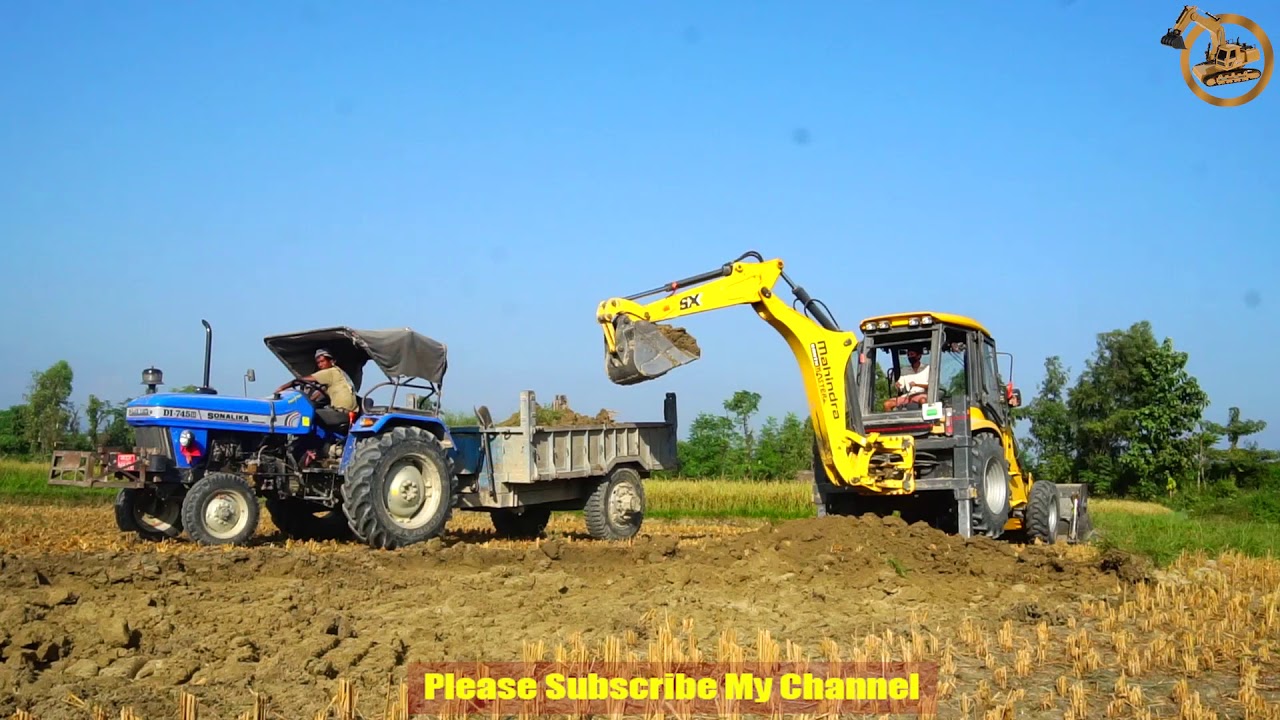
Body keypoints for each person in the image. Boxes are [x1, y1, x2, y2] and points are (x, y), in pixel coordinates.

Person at [276, 349, 358, 427]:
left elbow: (301, 380)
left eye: (323, 361)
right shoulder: (337, 375)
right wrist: (310, 400)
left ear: (332, 361)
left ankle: (302, 440)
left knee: (305, 415)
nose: (320, 365)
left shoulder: (330, 372)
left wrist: (281, 388)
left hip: (342, 411)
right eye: (318, 363)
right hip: (346, 411)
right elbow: (320, 392)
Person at [883, 346, 930, 411]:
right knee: (887, 404)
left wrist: (916, 385)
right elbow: (900, 385)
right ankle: (889, 420)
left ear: (919, 356)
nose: (910, 357)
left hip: (922, 395)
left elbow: (931, 386)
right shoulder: (905, 370)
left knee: (923, 401)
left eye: (912, 354)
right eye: (908, 355)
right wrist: (898, 385)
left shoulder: (927, 368)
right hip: (908, 396)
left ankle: (926, 420)